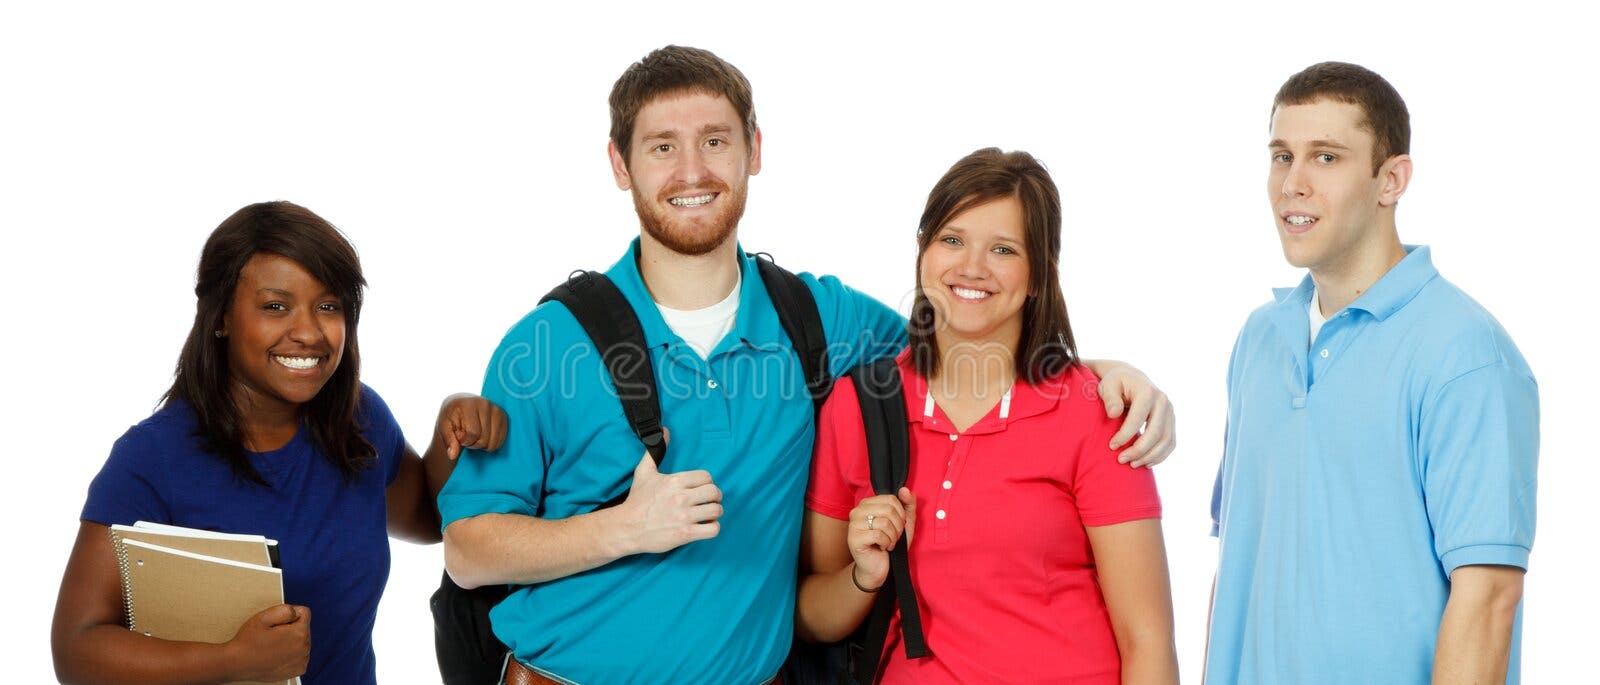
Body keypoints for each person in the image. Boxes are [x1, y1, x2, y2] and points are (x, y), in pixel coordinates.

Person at [440, 45, 1176, 685]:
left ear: (755, 149)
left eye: (716, 141)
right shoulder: (545, 343)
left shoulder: (820, 322)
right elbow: (469, 551)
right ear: (618, 164)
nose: (692, 169)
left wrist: (1099, 373)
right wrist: (623, 529)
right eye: (662, 145)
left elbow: (962, 336)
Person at [50, 201, 507, 685]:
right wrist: (232, 660)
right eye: (275, 307)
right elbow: (77, 649)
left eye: (328, 306)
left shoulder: (358, 418)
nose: (309, 333)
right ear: (221, 317)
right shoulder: (152, 458)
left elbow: (431, 519)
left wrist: (448, 425)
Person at [1206, 62, 1539, 684]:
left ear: (1391, 179)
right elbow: (1237, 567)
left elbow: (1488, 599)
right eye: (1281, 156)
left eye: (1325, 158)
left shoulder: (1466, 354)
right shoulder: (1259, 339)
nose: (1292, 185)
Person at [796, 148, 1178, 684]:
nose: (971, 267)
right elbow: (810, 617)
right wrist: (864, 575)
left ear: (1041, 275)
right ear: (923, 251)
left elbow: (1149, 642)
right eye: (952, 239)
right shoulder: (859, 406)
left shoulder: (1097, 413)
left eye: (1003, 249)